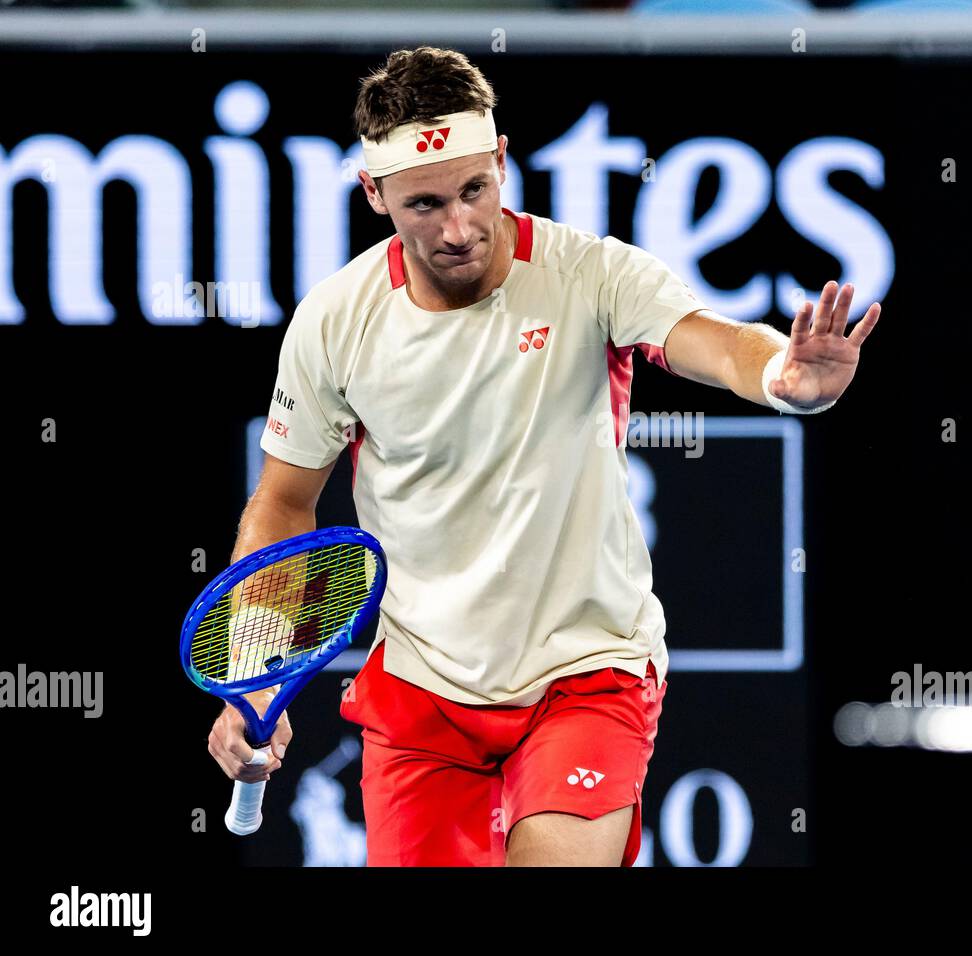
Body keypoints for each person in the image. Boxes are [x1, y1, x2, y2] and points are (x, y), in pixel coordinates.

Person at [206, 46, 882, 866]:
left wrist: (784, 377)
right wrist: (257, 669)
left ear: (500, 160)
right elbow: (283, 502)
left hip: (588, 674)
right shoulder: (334, 321)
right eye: (424, 203)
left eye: (475, 190)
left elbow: (720, 343)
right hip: (422, 697)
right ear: (373, 193)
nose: (458, 229)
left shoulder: (591, 274)